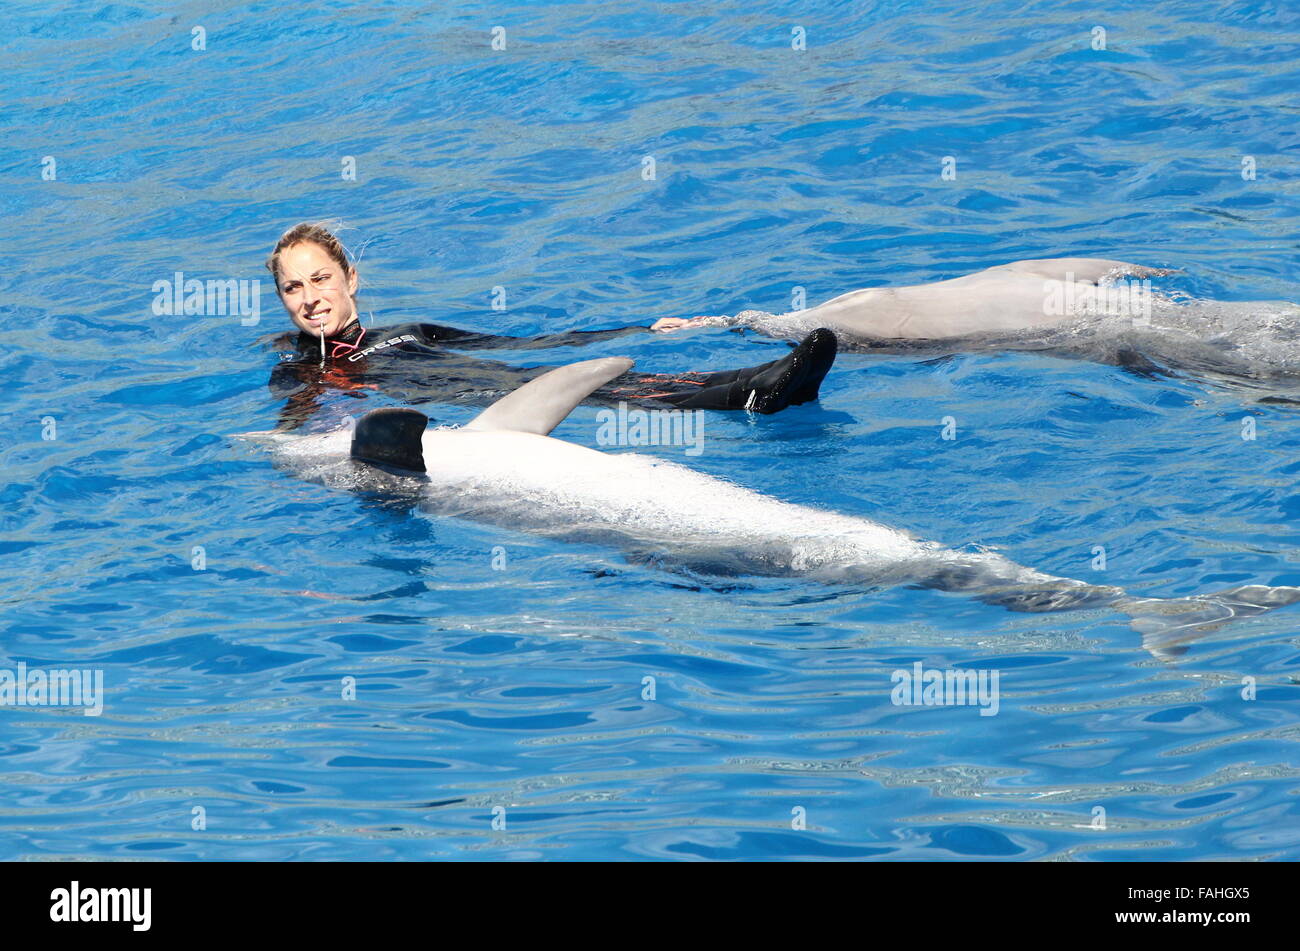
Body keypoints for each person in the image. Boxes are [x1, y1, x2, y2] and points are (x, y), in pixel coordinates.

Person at [265, 223, 837, 431]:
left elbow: (516, 343)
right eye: (294, 287)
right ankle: (757, 396)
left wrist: (635, 328)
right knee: (617, 399)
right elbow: (300, 426)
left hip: (513, 375)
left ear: (351, 279)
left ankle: (767, 380)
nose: (311, 298)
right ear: (282, 298)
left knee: (624, 382)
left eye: (321, 279)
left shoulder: (409, 330)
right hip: (484, 407)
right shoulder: (303, 369)